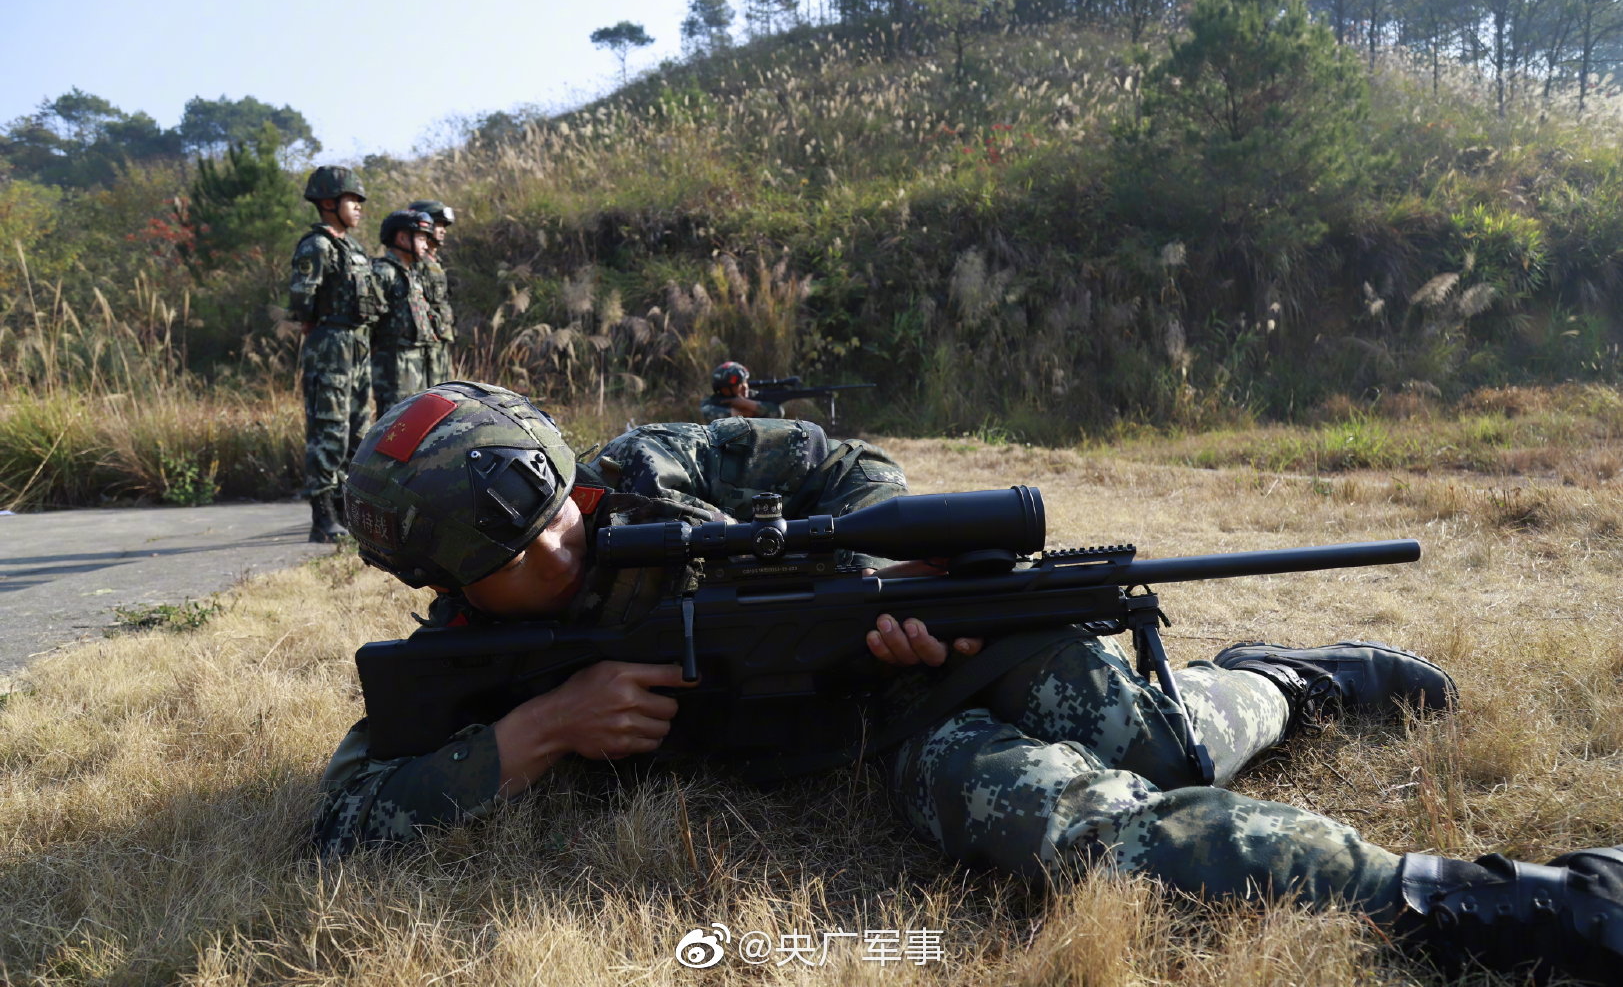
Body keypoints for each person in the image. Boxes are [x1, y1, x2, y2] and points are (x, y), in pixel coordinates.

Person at [316, 382, 1623, 983]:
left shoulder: (663, 469)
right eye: (513, 550)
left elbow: (839, 467)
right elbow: (346, 819)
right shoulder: (461, 666)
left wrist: (885, 562)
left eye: (552, 508)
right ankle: (1483, 905)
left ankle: (1277, 681)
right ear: (445, 582)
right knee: (1079, 826)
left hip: (917, 646)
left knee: (1159, 739)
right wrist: (536, 733)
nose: (558, 542)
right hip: (886, 742)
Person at [287, 165, 383, 542]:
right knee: (328, 430)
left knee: (358, 430)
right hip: (330, 345)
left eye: (360, 201)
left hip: (357, 345)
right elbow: (301, 299)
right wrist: (316, 324)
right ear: (328, 203)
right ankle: (323, 517)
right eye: (352, 200)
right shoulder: (318, 246)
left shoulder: (352, 247)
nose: (359, 207)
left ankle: (347, 511)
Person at [370, 210, 439, 417]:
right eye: (421, 238)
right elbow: (369, 324)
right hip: (395, 370)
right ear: (401, 238)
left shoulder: (412, 275)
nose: (426, 245)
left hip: (419, 365)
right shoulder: (383, 273)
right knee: (396, 428)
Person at [407, 199, 457, 388]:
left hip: (440, 342)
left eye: (445, 226)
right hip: (424, 346)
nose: (443, 230)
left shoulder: (436, 262)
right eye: (439, 225)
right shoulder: (416, 262)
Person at [700, 361, 783, 421]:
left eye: (745, 382)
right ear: (725, 389)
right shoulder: (714, 402)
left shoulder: (752, 395)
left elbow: (778, 412)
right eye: (739, 384)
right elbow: (706, 412)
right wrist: (744, 413)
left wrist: (747, 404)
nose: (745, 387)